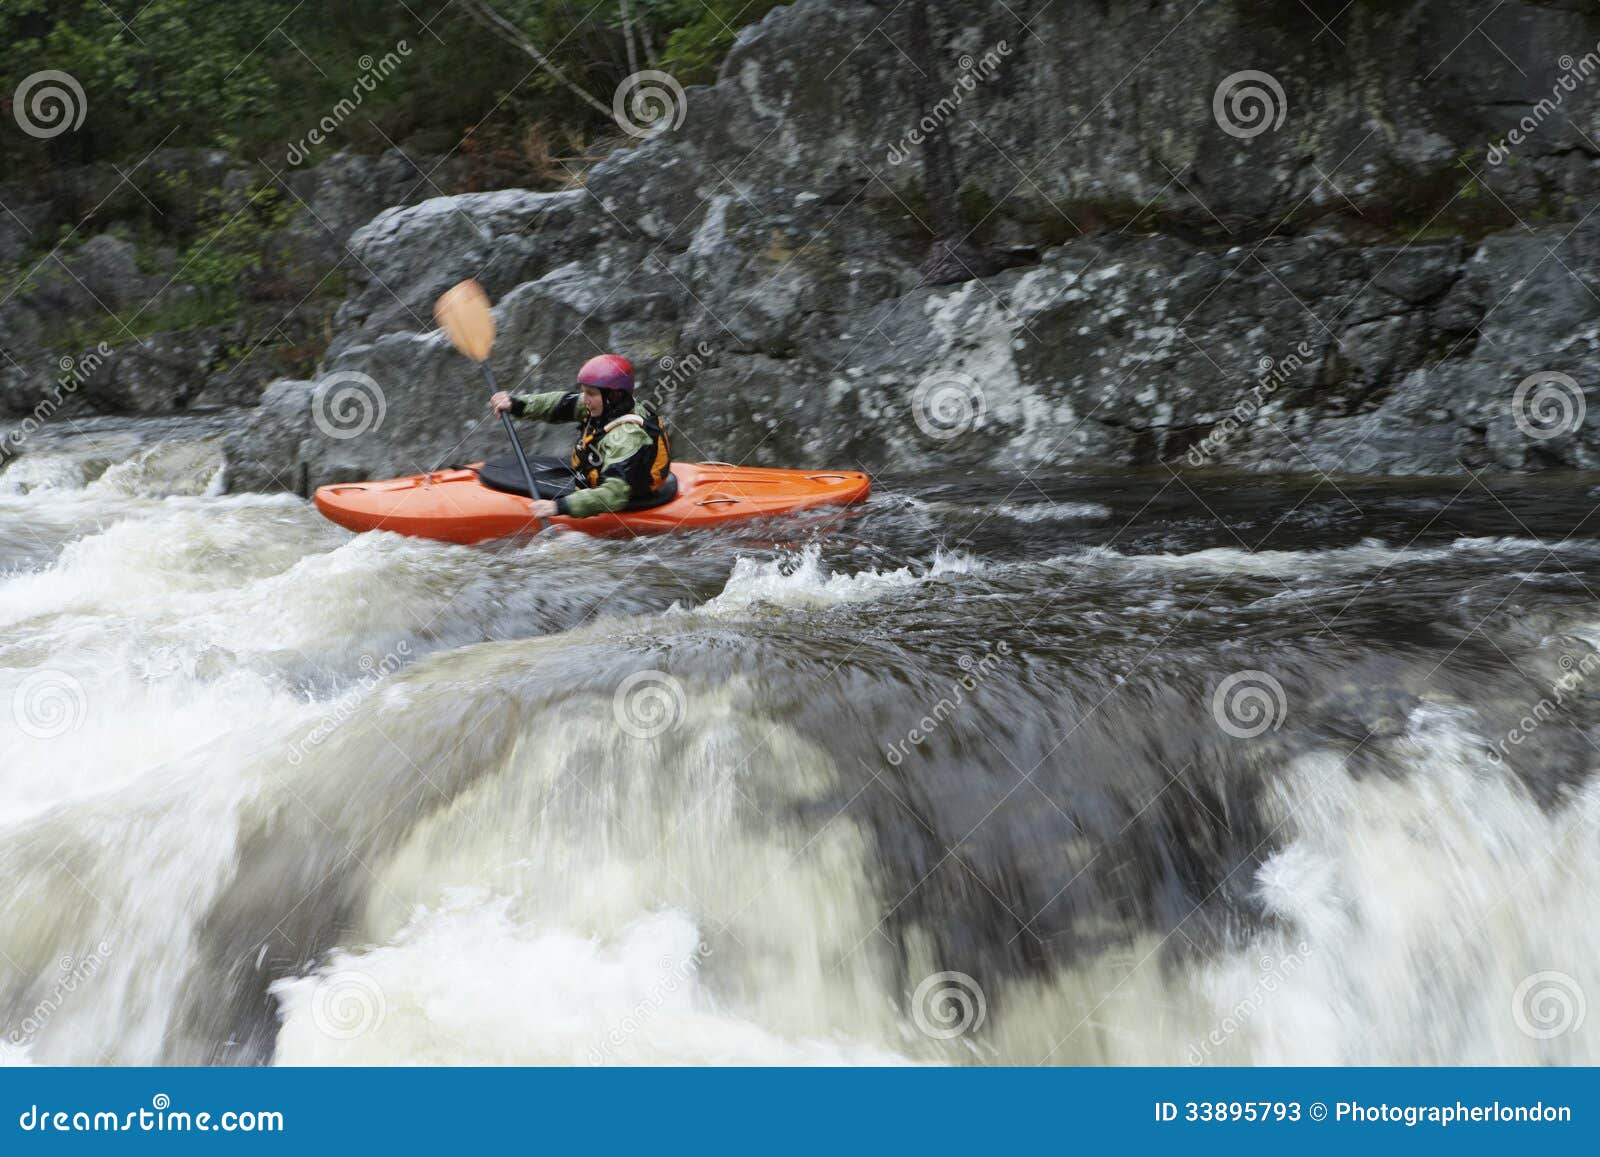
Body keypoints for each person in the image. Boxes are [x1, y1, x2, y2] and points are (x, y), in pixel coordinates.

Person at [489, 354, 672, 519]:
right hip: (605, 476)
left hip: (625, 493)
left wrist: (558, 507)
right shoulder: (606, 406)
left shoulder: (627, 437)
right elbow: (558, 404)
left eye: (591, 394)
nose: (585, 399)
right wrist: (515, 404)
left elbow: (613, 495)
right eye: (584, 391)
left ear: (613, 395)